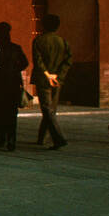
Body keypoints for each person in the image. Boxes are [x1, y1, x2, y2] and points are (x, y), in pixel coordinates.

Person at [0, 22, 28, 151]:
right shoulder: (15, 48)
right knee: (12, 113)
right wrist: (14, 69)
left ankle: (0, 138)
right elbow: (25, 63)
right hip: (13, 84)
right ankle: (11, 140)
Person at [30, 13, 71, 150]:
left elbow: (38, 61)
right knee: (50, 109)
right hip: (57, 80)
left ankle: (58, 138)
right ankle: (42, 138)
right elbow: (68, 61)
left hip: (44, 79)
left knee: (47, 109)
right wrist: (58, 76)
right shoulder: (63, 42)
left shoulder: (38, 40)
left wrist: (47, 75)